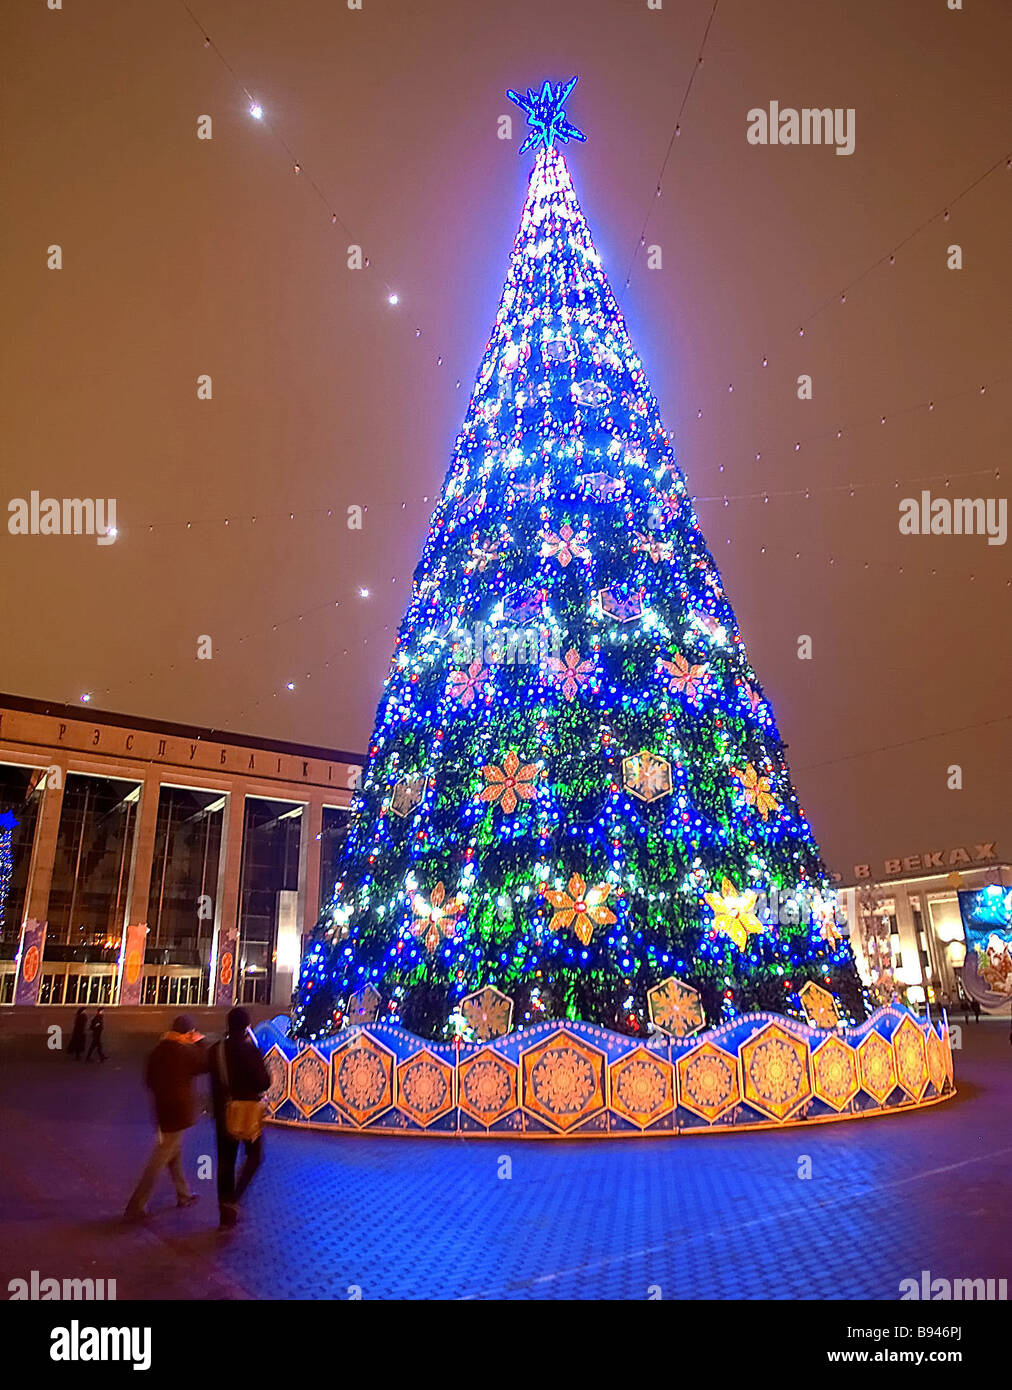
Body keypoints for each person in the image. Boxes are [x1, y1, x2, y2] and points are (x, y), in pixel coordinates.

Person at [123, 1014, 209, 1222]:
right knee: (161, 1157)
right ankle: (136, 1204)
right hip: (179, 1112)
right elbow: (206, 1064)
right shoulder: (184, 1052)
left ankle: (184, 1195)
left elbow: (148, 1080)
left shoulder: (158, 1051)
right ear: (188, 1033)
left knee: (174, 1154)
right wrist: (201, 1042)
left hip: (162, 1109)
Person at [210, 1007, 270, 1230]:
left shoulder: (216, 1050)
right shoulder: (250, 1050)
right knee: (254, 1156)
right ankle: (234, 1198)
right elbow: (263, 1082)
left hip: (223, 1112)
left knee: (225, 1161)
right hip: (247, 1114)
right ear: (246, 1026)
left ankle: (224, 1209)